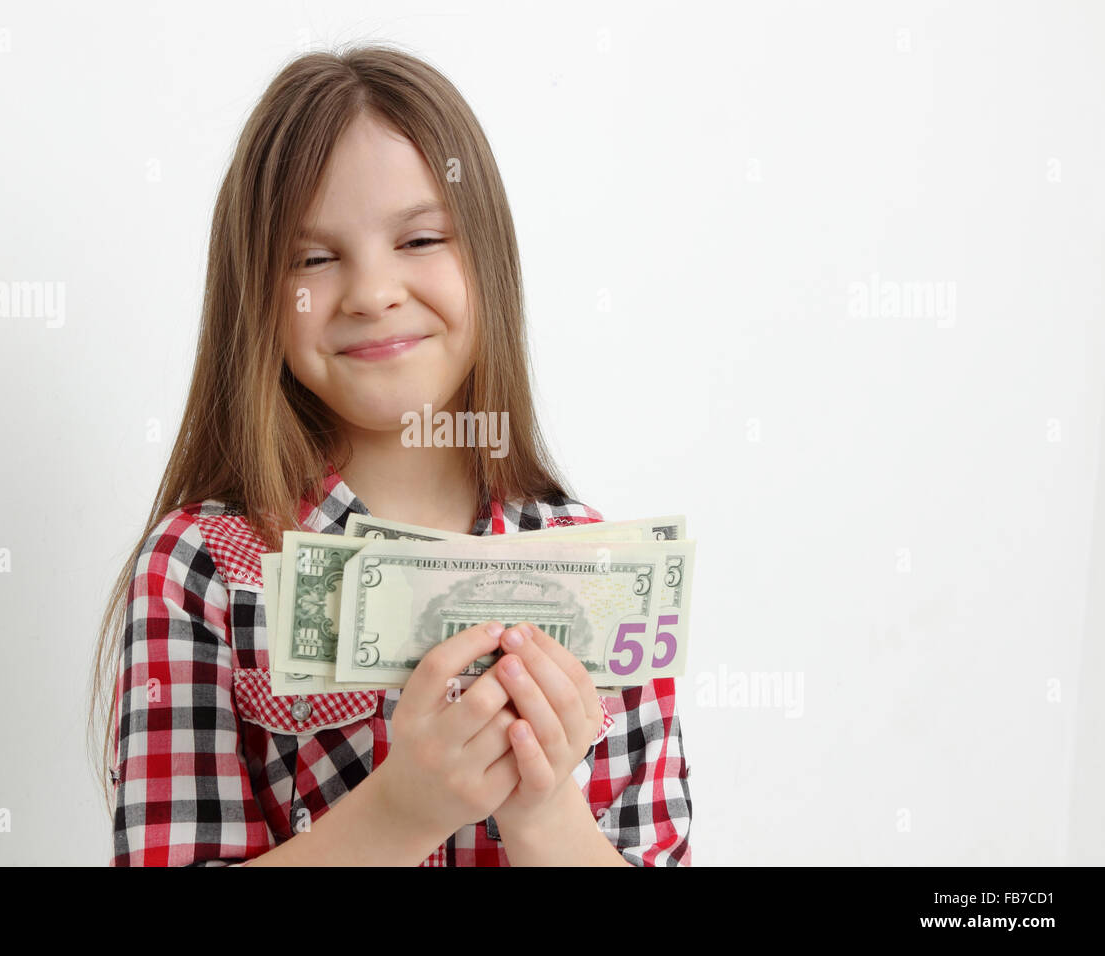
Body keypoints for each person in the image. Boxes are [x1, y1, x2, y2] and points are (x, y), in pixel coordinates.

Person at [87, 44, 691, 866]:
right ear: (257, 293)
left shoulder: (602, 574)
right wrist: (405, 809)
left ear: (488, 258)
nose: (372, 292)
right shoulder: (206, 570)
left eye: (419, 240)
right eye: (314, 258)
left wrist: (546, 816)